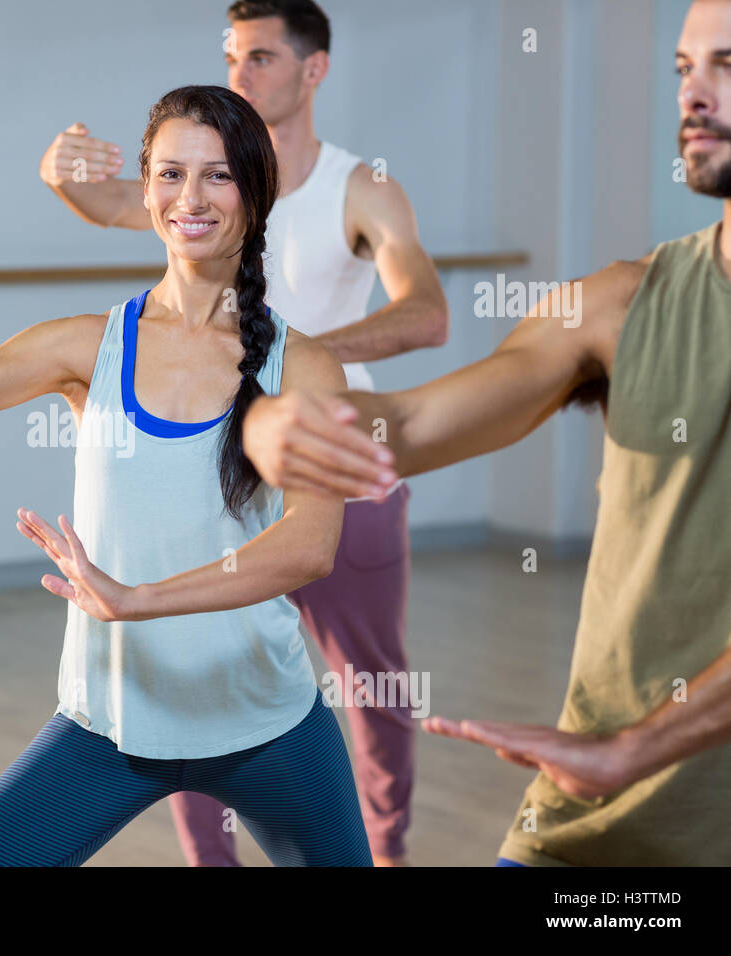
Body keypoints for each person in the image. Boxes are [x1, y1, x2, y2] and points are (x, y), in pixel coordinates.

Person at [238, 0, 731, 866]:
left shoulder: (360, 187)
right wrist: (288, 416)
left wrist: (638, 750)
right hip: (586, 817)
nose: (694, 94)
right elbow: (420, 420)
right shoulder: (620, 303)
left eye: (726, 65)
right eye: (683, 68)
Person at [0, 84, 371, 867]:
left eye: (218, 176)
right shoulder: (86, 346)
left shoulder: (307, 367)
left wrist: (139, 600)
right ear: (148, 189)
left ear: (255, 195)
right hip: (111, 722)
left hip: (266, 720)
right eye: (169, 174)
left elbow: (308, 548)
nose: (189, 197)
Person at [35, 0, 447, 866]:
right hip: (210, 465)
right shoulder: (206, 180)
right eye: (231, 56)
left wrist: (278, 367)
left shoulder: (359, 187)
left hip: (336, 460)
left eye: (260, 57)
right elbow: (116, 199)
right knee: (185, 668)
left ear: (314, 69)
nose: (240, 74)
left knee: (369, 686)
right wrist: (60, 169)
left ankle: (386, 849)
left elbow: (427, 313)